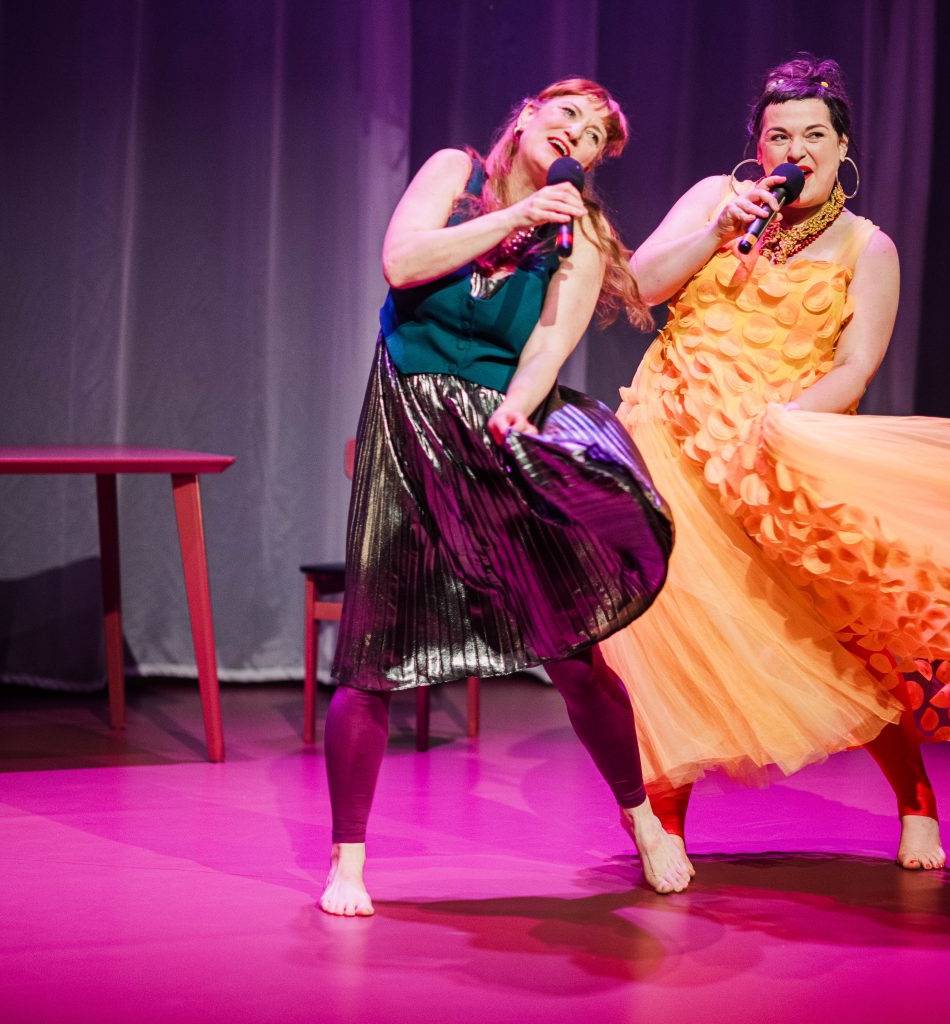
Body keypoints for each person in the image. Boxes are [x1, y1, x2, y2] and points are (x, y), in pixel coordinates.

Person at [598, 55, 950, 872]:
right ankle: (668, 827)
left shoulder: (869, 245)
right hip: (672, 435)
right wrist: (718, 228)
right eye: (779, 134)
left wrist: (785, 421)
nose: (797, 148)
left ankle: (916, 799)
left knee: (835, 635)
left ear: (842, 145)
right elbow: (638, 288)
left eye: (814, 135)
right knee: (666, 633)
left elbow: (856, 364)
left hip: (779, 450)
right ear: (758, 145)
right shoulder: (722, 200)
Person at [319, 79, 693, 917]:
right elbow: (403, 261)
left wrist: (517, 413)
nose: (578, 136)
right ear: (525, 117)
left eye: (596, 135)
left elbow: (550, 345)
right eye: (567, 116)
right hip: (407, 419)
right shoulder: (455, 175)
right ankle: (347, 862)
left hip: (496, 426)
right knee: (372, 650)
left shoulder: (582, 233)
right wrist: (515, 219)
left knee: (570, 650)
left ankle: (644, 821)